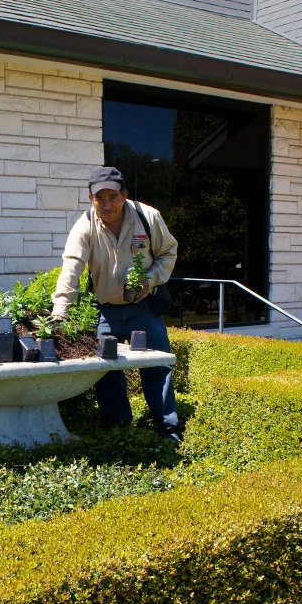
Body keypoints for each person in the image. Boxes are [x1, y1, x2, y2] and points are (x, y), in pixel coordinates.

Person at [51, 166, 184, 442]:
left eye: (113, 196)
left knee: (157, 367)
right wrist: (60, 310)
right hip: (106, 311)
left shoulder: (148, 217)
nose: (107, 204)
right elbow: (72, 267)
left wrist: (150, 280)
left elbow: (168, 252)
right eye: (101, 198)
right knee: (106, 371)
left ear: (125, 194)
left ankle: (168, 428)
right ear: (91, 199)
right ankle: (117, 428)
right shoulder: (85, 225)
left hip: (144, 308)